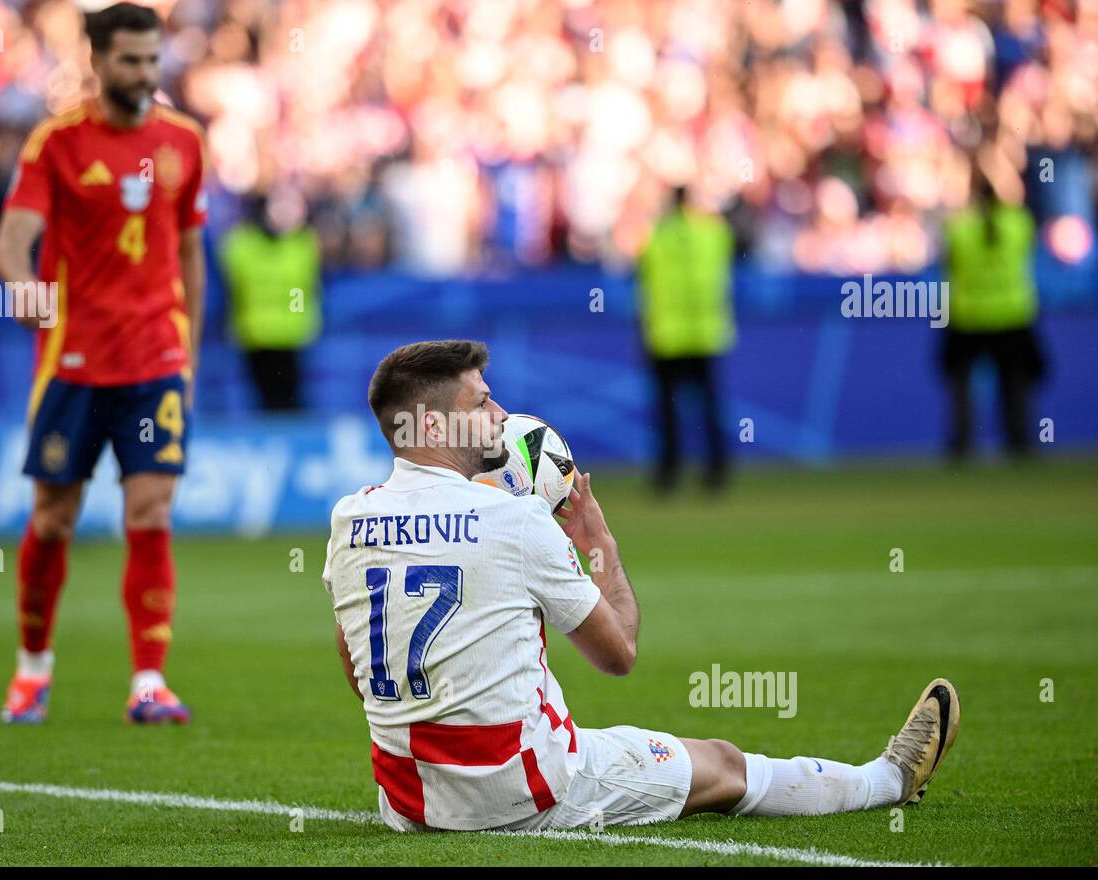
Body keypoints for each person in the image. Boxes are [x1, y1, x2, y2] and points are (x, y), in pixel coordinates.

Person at [322, 339, 960, 832]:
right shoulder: (515, 519)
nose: (500, 414)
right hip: (529, 792)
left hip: (409, 803)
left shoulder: (348, 519)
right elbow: (618, 654)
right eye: (481, 403)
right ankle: (889, 780)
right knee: (723, 764)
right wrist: (597, 542)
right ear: (433, 428)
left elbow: (360, 677)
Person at [0, 2, 208, 724]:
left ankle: (150, 681)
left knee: (150, 510)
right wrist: (21, 284)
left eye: (153, 60)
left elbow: (189, 252)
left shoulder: (183, 141)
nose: (146, 74)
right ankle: (32, 670)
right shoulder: (55, 143)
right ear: (97, 60)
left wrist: (190, 353)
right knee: (54, 518)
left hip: (155, 362)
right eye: (130, 61)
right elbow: (13, 241)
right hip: (74, 363)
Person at [940, 163, 1046, 459]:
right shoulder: (1019, 223)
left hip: (968, 316)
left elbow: (948, 263)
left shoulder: (958, 228)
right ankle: (1020, 443)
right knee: (1016, 385)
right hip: (1013, 314)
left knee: (961, 386)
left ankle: (961, 446)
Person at [638, 186, 736, 492]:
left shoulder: (657, 238)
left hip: (666, 337)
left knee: (667, 413)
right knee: (710, 408)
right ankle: (717, 473)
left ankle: (668, 475)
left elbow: (642, 276)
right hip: (705, 335)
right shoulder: (713, 235)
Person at [219, 188, 322, 411]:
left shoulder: (303, 244)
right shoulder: (241, 244)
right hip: (255, 336)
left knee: (290, 400)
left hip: (291, 336)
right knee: (266, 401)